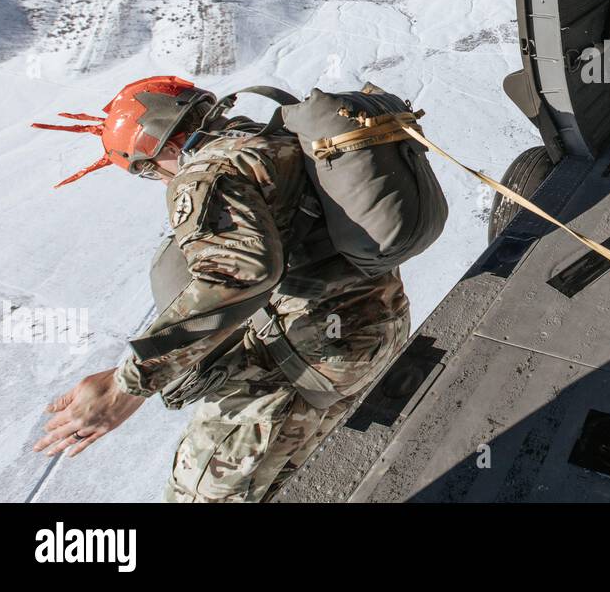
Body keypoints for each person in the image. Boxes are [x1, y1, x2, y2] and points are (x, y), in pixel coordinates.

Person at [30, 76, 410, 502]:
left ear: (164, 148)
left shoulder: (208, 174)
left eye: (148, 170)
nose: (159, 180)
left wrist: (127, 386)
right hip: (373, 330)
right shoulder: (273, 139)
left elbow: (235, 280)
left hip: (308, 361)